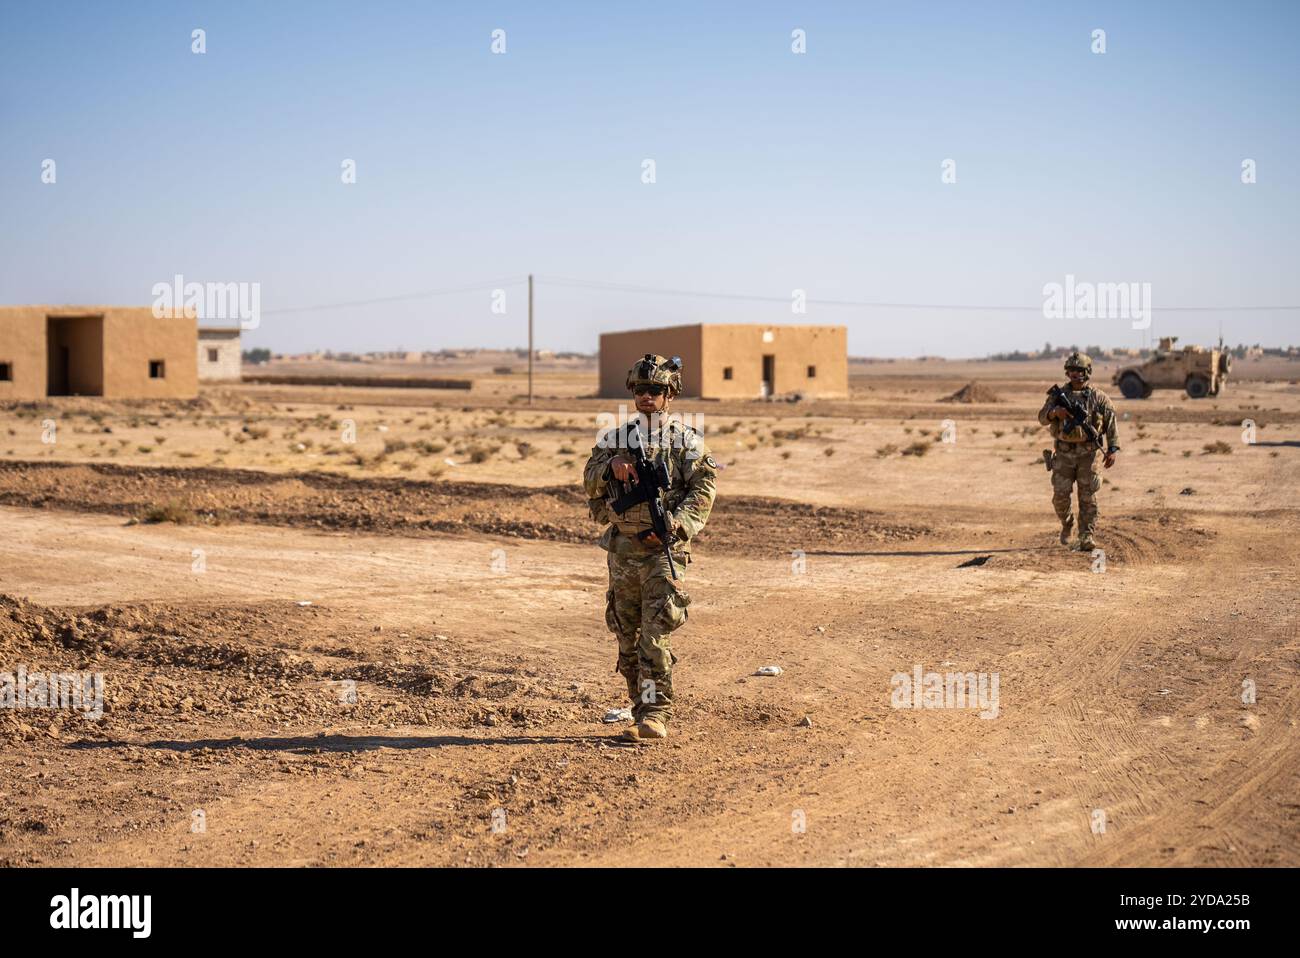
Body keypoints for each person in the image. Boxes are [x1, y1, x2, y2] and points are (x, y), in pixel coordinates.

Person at [582, 354, 717, 743]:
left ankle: (656, 713)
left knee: (654, 634)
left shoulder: (687, 442)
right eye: (640, 390)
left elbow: (704, 489)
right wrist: (613, 467)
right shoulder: (614, 440)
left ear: (670, 394)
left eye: (655, 390)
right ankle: (639, 706)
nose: (647, 396)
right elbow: (589, 482)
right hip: (623, 550)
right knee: (626, 635)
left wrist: (678, 525)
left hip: (663, 550)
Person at [1038, 352, 1120, 551]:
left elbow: (1111, 424)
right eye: (1072, 370)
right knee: (1060, 497)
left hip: (1089, 455)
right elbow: (1042, 418)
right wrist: (1054, 412)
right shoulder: (1058, 396)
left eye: (1080, 371)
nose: (1075, 374)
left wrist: (1112, 449)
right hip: (1064, 454)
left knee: (1088, 497)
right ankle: (1067, 524)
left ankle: (1086, 536)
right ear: (1067, 372)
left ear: (1087, 372)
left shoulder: (1099, 397)